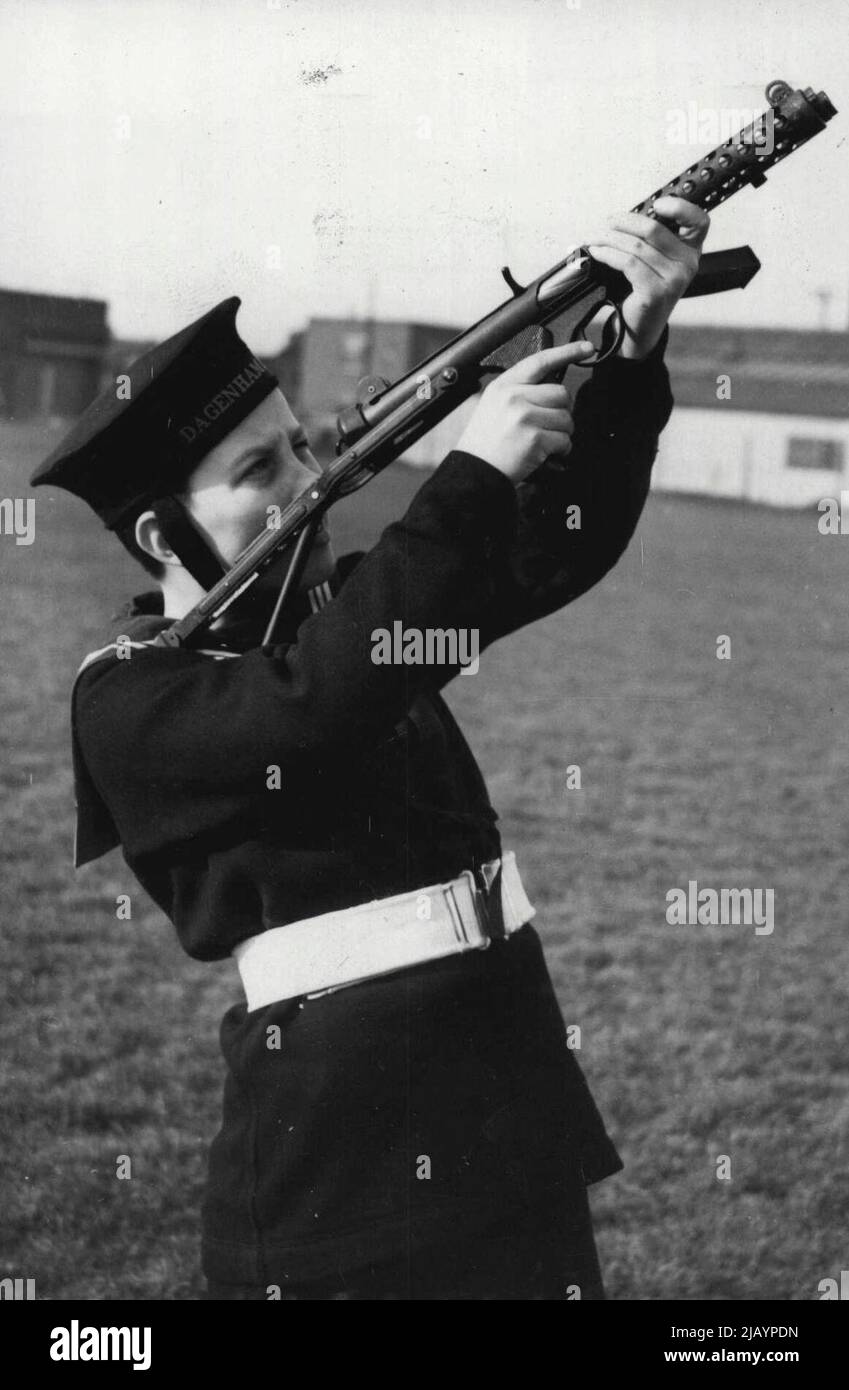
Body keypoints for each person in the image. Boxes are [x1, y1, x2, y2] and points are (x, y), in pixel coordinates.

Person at [32, 196, 709, 1300]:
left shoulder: (344, 616)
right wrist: (470, 476)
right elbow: (313, 711)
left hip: (510, 1134)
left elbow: (555, 550)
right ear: (161, 534)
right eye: (260, 472)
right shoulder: (130, 703)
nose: (308, 484)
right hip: (342, 1206)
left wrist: (630, 363)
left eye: (302, 448)